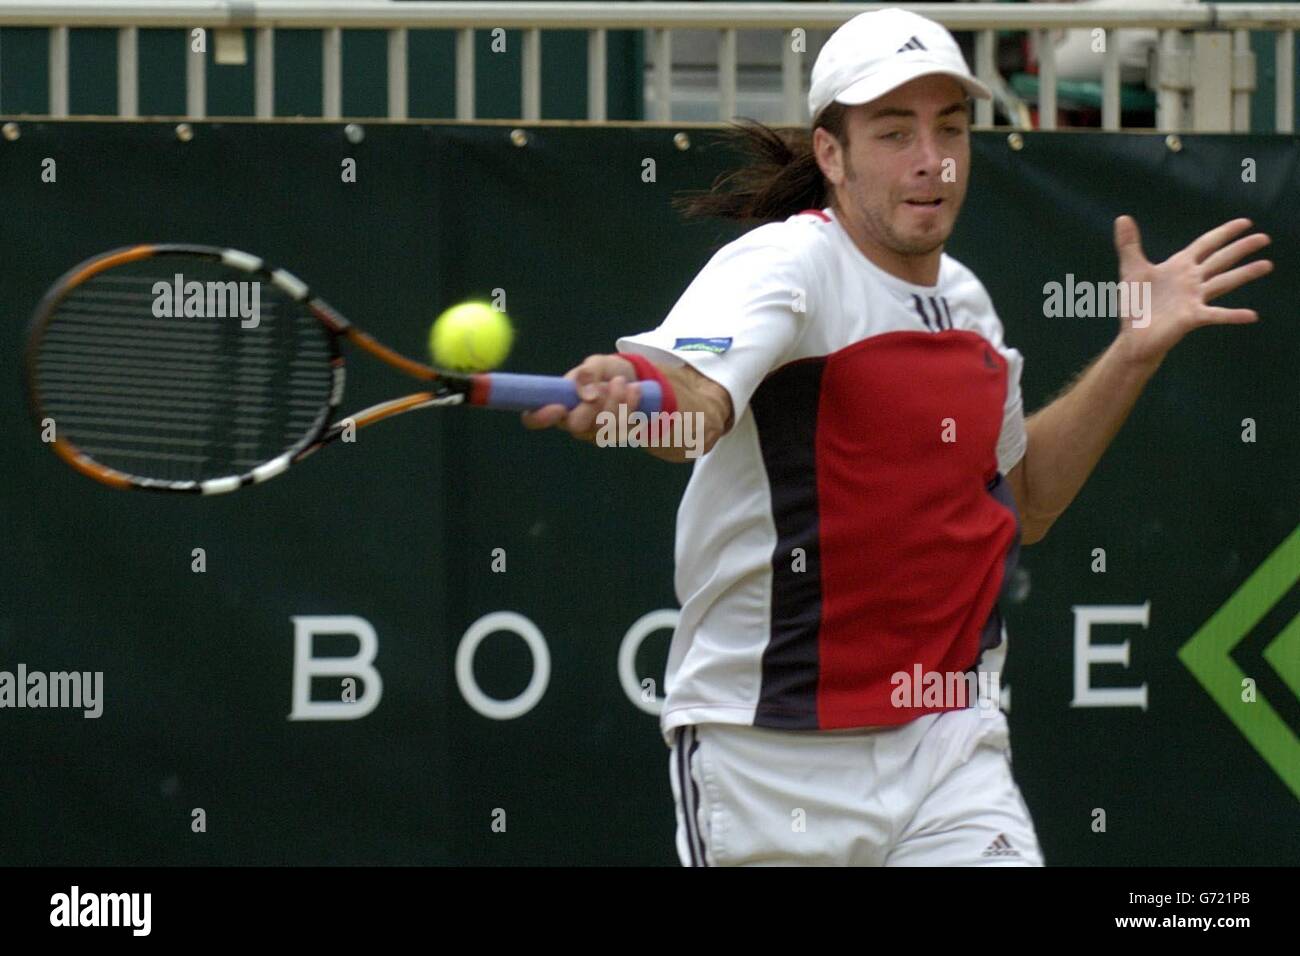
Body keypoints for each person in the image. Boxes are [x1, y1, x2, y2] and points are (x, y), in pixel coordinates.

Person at [523, 8, 1272, 866]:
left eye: (949, 128)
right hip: (770, 755)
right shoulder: (785, 266)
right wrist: (635, 404)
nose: (933, 159)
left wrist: (1132, 353)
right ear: (831, 156)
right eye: (894, 132)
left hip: (948, 745)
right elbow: (694, 405)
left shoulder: (968, 305)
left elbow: (1024, 505)